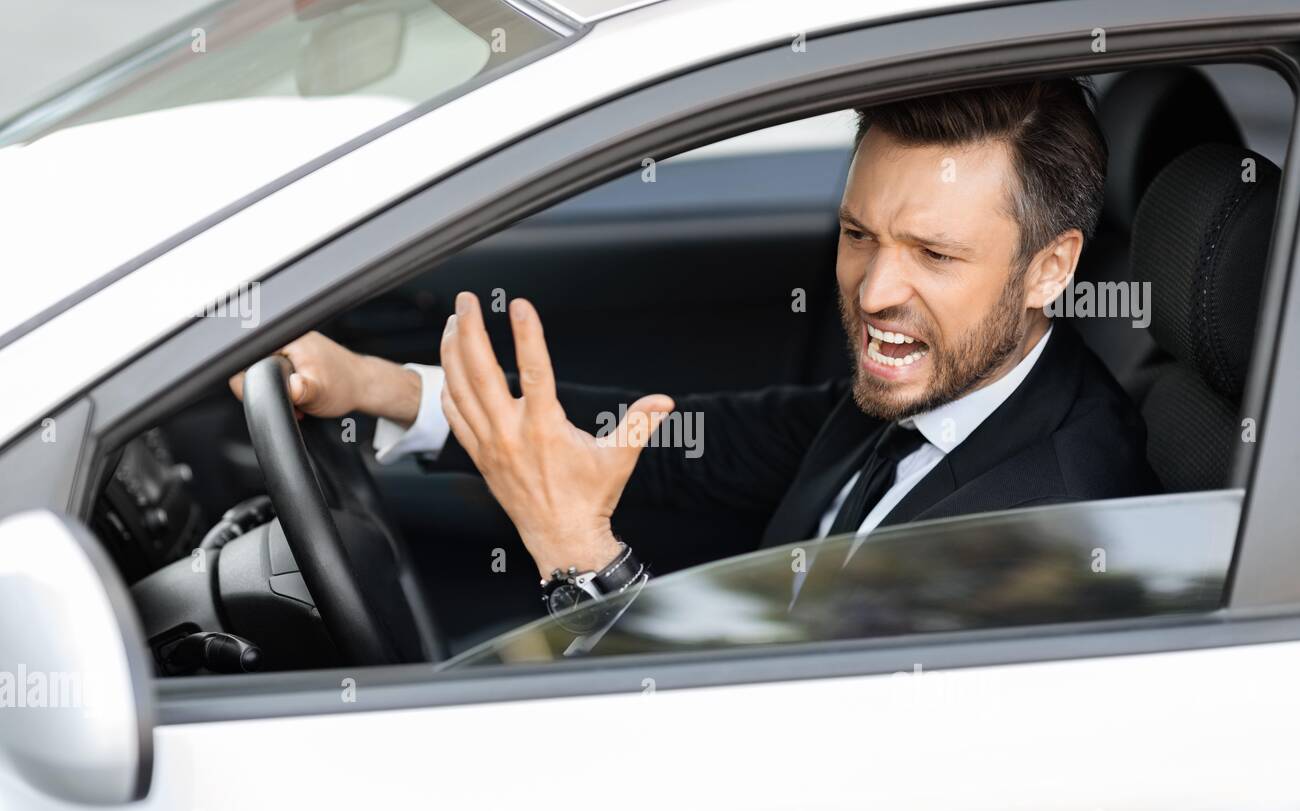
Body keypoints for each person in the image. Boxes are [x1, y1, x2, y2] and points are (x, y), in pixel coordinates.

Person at [231, 78, 1159, 615]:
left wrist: (576, 552)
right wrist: (384, 386)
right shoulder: (941, 399)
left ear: (1050, 270)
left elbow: (773, 785)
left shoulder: (1041, 529)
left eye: (935, 254)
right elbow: (681, 449)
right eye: (858, 234)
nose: (875, 292)